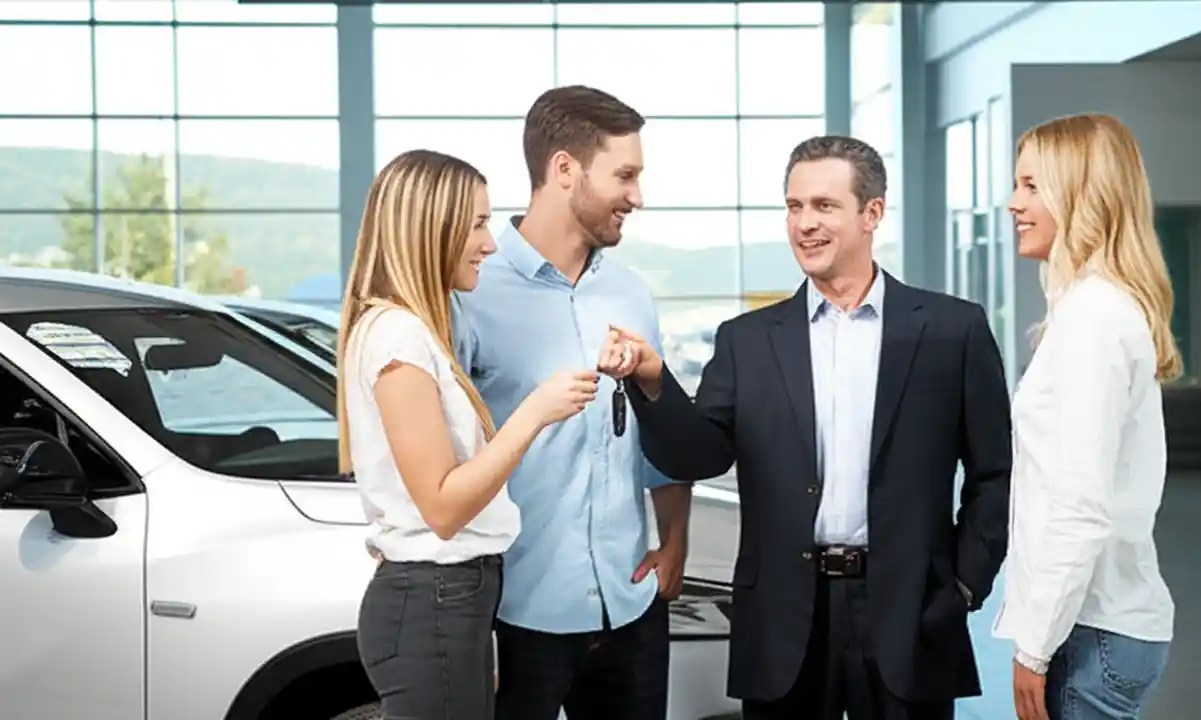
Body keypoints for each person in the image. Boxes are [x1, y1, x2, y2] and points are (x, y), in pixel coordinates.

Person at [598, 135, 1012, 720]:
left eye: (824, 206)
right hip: (783, 617)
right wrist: (652, 380)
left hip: (911, 614)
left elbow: (995, 472)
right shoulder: (746, 340)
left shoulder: (952, 330)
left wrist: (965, 586)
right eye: (794, 207)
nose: (804, 224)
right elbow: (699, 456)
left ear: (872, 214)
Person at [451, 86, 692, 720]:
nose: (637, 196)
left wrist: (675, 540)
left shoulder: (633, 292)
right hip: (517, 611)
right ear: (564, 169)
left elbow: (655, 429)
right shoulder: (471, 289)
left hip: (630, 601)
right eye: (625, 175)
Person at [337, 149, 599, 720]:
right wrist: (534, 412)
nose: (490, 242)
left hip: (454, 600)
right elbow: (443, 506)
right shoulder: (398, 337)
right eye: (477, 223)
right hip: (435, 599)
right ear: (432, 227)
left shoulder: (413, 332)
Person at [996, 113, 1180, 720]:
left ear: (1081, 194)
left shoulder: (1094, 318)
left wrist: (1035, 646)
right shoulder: (1094, 308)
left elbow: (1078, 507)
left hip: (1089, 633)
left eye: (1030, 186)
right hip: (1103, 625)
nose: (1012, 203)